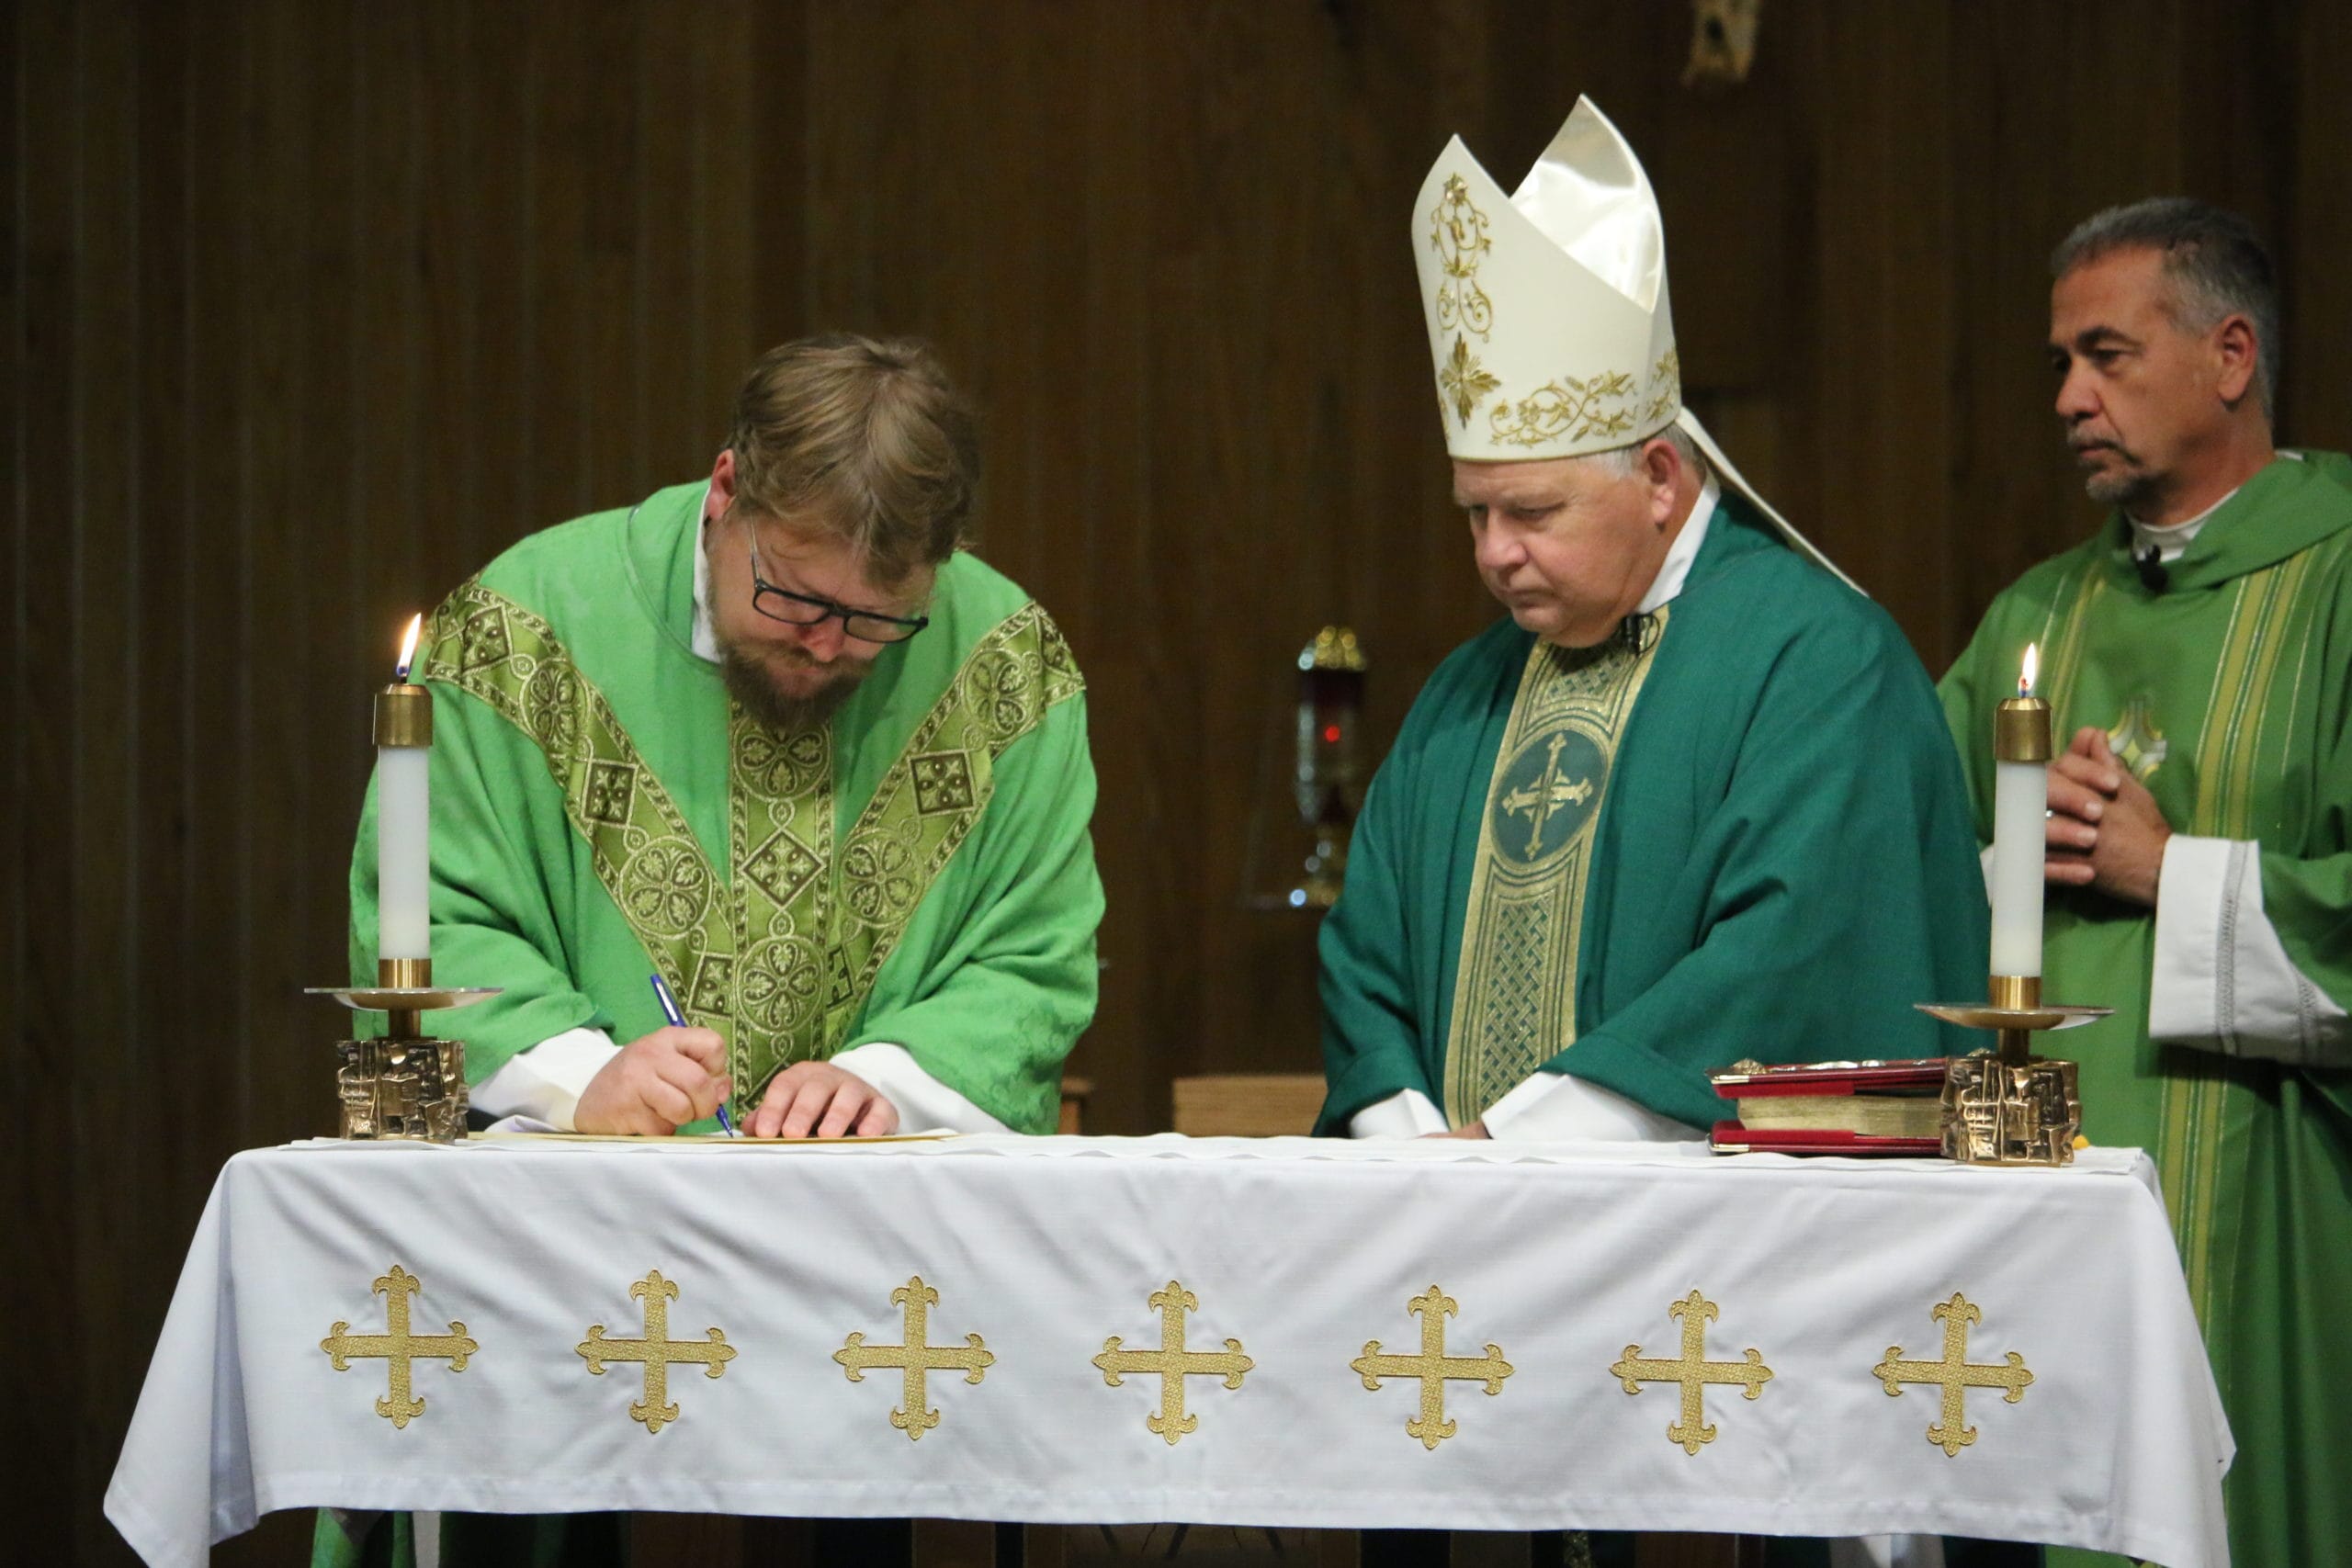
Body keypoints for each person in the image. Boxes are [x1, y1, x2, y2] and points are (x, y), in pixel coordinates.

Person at [318, 336, 1101, 1566]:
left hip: (877, 1287)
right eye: (791, 594)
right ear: (725, 489)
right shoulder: (521, 629)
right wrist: (585, 1080)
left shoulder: (1005, 663)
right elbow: (438, 908)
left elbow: (1032, 954)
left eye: (880, 620)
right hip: (574, 1272)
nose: (828, 644)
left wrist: (887, 1079)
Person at [1318, 99, 1988, 1152]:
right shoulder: (1467, 690)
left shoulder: (1817, 664)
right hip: (1439, 1245)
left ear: (1661, 479)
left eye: (1533, 512)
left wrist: (1517, 1145)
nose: (1493, 552)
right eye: (1475, 513)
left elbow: (1796, 956)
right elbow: (1367, 957)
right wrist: (1408, 1151)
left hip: (1706, 1268)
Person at [1939, 198, 2352, 1568]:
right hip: (2034, 1220)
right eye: (2061, 363)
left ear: (2230, 356)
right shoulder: (2037, 615)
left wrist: (2165, 870)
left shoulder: (2342, 575)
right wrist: (2008, 840)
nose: (2069, 397)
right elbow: (1910, 857)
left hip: (2283, 1209)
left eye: (2105, 355)